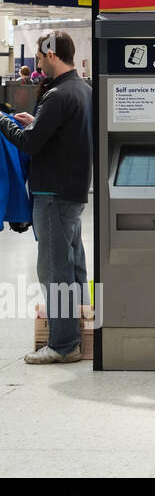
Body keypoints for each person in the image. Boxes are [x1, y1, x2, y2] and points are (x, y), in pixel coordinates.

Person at [0, 31, 92, 364]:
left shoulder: (57, 95)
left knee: (54, 270)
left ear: (51, 55)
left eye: (39, 58)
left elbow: (30, 144)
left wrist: (2, 122)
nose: (37, 64)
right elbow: (58, 135)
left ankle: (64, 345)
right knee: (73, 265)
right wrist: (35, 122)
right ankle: (80, 331)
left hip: (52, 193)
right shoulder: (82, 90)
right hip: (74, 190)